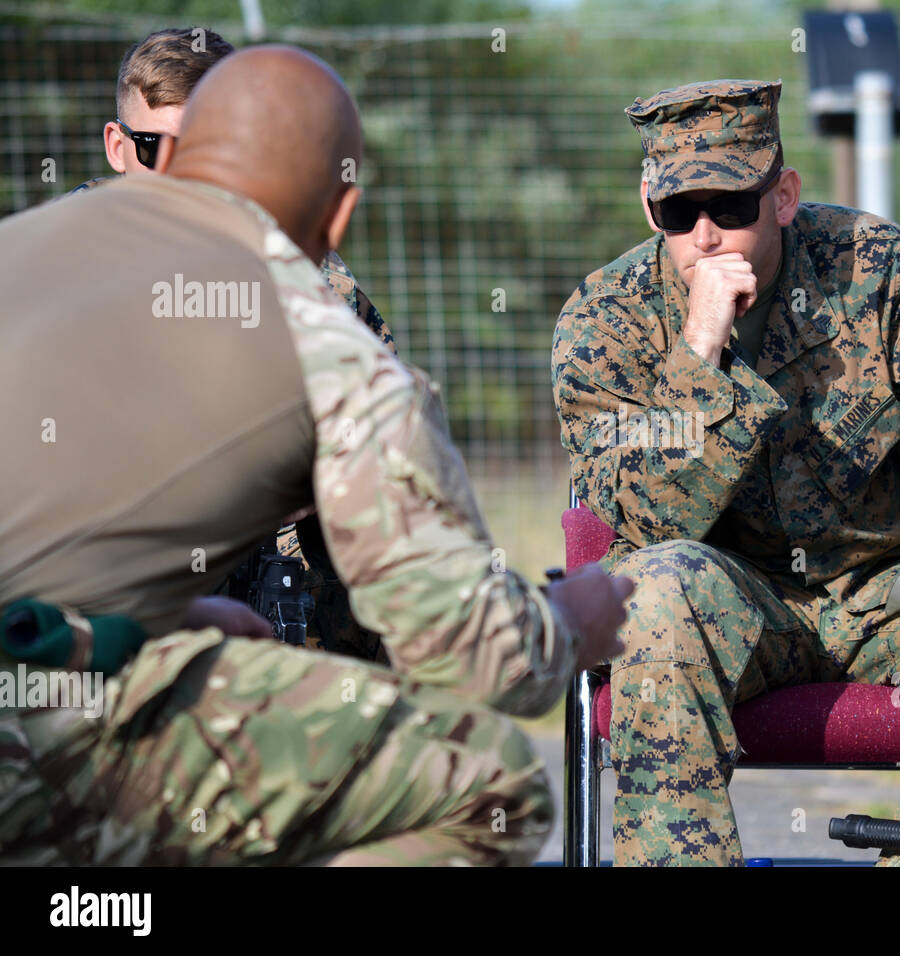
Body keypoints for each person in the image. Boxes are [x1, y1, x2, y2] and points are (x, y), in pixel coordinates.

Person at [0, 45, 632, 866]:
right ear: (338, 215)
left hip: (47, 645)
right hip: (38, 732)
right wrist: (567, 625)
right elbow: (478, 656)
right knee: (490, 783)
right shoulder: (329, 349)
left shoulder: (28, 246)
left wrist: (165, 621)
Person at [551, 79, 900, 866]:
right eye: (680, 213)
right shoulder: (606, 322)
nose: (705, 236)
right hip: (732, 594)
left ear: (782, 196)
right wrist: (699, 353)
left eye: (731, 206)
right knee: (654, 593)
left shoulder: (881, 273)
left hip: (892, 583)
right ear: (650, 209)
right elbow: (645, 524)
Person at [72, 26, 393, 660]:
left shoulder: (309, 272)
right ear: (117, 145)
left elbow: (382, 437)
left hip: (287, 597)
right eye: (152, 147)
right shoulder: (61, 266)